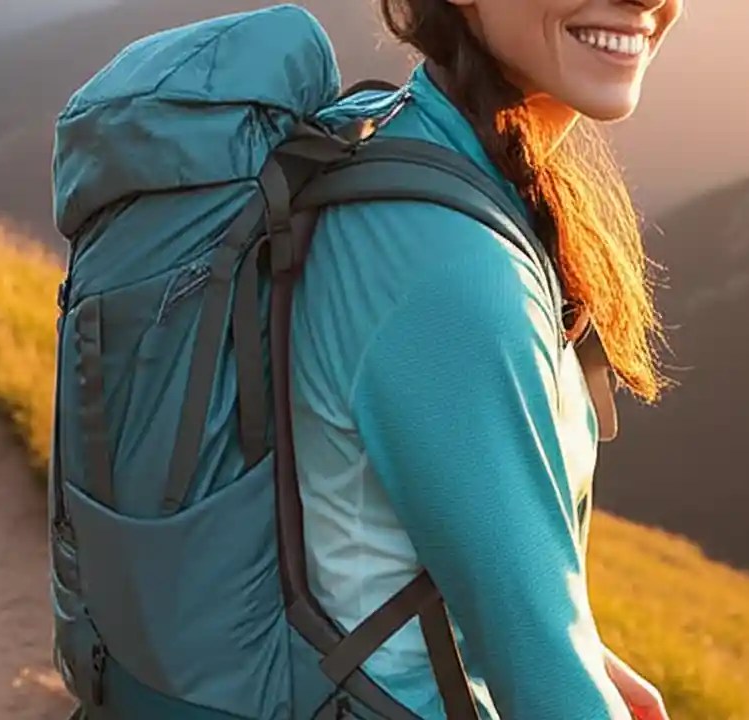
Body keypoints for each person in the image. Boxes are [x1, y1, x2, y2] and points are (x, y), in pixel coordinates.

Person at [289, 0, 683, 718]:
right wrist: (568, 670)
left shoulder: (412, 142)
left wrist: (586, 659)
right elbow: (545, 687)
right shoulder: (452, 265)